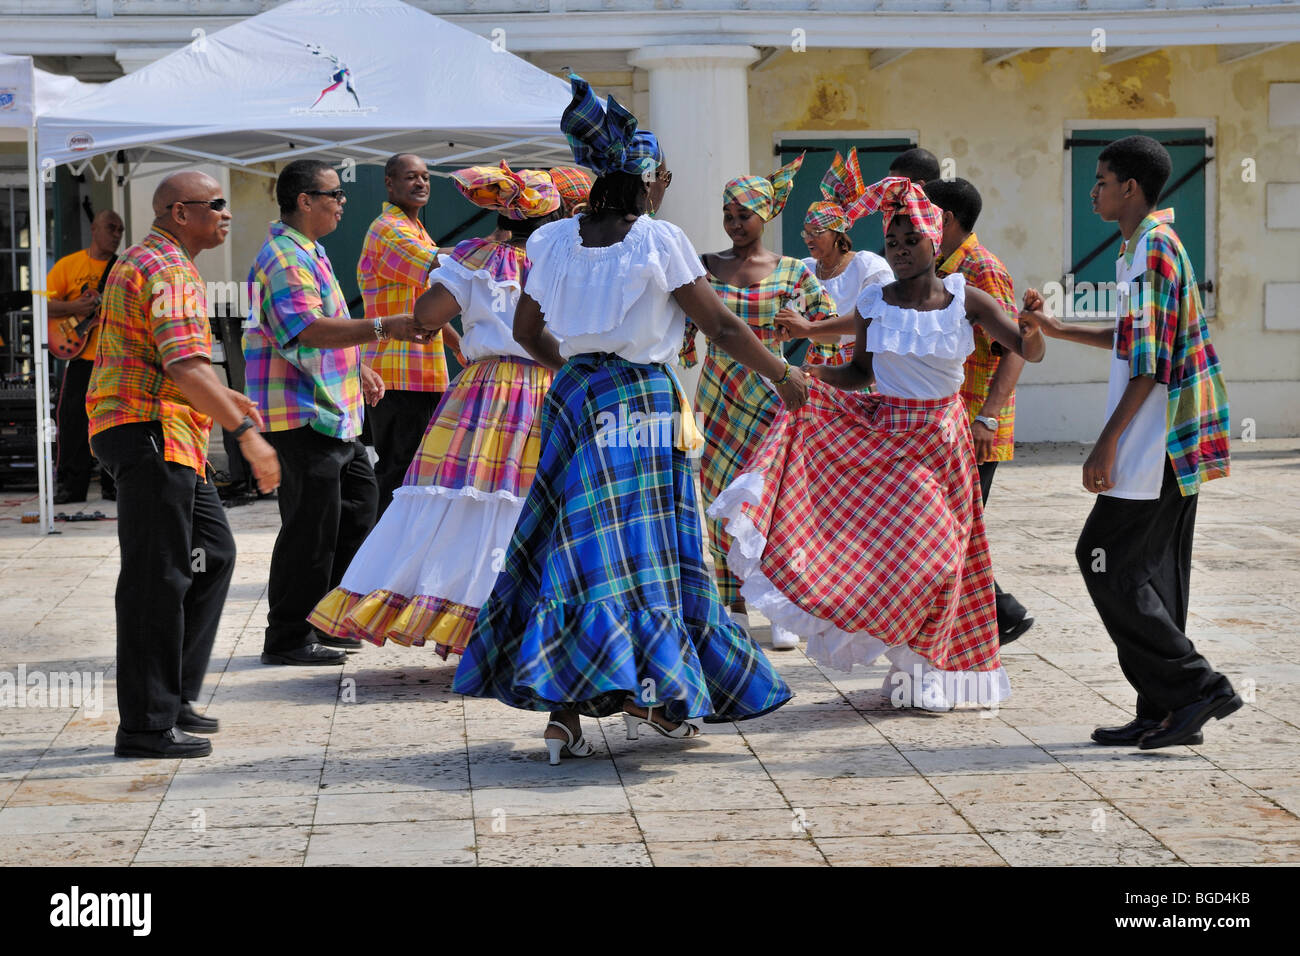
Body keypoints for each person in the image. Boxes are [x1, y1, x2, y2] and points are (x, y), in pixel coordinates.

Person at [452, 75, 802, 764]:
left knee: (572, 544)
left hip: (576, 400)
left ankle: (566, 715)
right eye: (663, 174)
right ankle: (652, 693)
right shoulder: (658, 239)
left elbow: (527, 330)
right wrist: (785, 374)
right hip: (642, 404)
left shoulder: (551, 241)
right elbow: (723, 326)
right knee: (644, 556)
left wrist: (579, 374)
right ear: (648, 179)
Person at [711, 178, 1045, 712]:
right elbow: (861, 371)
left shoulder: (967, 298)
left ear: (935, 242)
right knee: (907, 563)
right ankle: (912, 668)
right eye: (893, 241)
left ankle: (927, 667)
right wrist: (809, 377)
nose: (902, 249)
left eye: (912, 239)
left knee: (940, 564)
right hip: (889, 444)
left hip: (943, 443)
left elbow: (1027, 349)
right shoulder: (874, 302)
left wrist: (1032, 326)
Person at [1018, 135, 1237, 750]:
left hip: (1159, 438)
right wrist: (1058, 328)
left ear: (1130, 189)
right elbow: (1135, 334)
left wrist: (1104, 445)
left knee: (1103, 558)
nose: (1093, 191)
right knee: (1150, 572)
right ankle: (1166, 711)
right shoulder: (1143, 248)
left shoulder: (1153, 251)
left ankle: (1197, 687)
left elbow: (1152, 362)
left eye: (1102, 180)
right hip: (1162, 435)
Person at [310, 163, 563, 656]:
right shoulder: (559, 262)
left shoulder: (475, 257)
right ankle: (529, 619)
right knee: (529, 498)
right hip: (547, 383)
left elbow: (427, 314)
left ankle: (457, 614)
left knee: (463, 497)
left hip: (484, 389)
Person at [87, 172, 280, 758]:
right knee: (156, 579)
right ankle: (146, 725)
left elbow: (176, 367)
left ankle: (172, 697)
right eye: (215, 205)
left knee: (212, 554)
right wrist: (247, 435)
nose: (226, 213)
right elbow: (185, 367)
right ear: (177, 212)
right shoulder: (168, 268)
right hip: (146, 433)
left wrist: (229, 403)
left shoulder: (161, 261)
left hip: (162, 434)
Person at [245, 159, 427, 666]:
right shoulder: (283, 258)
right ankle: (286, 637)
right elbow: (307, 330)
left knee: (357, 510)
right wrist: (384, 328)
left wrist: (359, 368)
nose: (342, 202)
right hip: (301, 413)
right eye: (333, 194)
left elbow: (329, 327)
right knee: (310, 531)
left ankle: (323, 620)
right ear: (305, 201)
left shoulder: (311, 251)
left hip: (332, 410)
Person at [680, 153, 835, 650]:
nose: (734, 224)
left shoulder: (794, 272)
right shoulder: (703, 268)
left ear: (764, 215)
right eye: (728, 214)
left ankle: (779, 605)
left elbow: (830, 328)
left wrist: (806, 357)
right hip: (719, 397)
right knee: (720, 502)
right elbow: (681, 320)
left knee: (773, 502)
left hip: (775, 399)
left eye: (743, 214)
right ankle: (735, 605)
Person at [923, 177, 1033, 644]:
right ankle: (996, 613)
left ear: (944, 218)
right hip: (949, 424)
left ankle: (991, 617)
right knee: (948, 528)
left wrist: (987, 416)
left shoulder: (980, 268)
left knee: (953, 531)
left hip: (976, 426)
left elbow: (1016, 349)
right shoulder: (943, 266)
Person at [357, 153, 463, 517]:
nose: (420, 183)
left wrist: (458, 345)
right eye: (410, 177)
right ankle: (377, 561)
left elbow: (424, 305)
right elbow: (435, 261)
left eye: (426, 177)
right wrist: (489, 250)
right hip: (396, 376)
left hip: (424, 375)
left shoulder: (415, 227)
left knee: (418, 475)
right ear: (389, 184)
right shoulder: (389, 228)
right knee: (399, 474)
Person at [48, 209, 125, 504]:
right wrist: (76, 309)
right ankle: (71, 486)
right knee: (72, 423)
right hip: (81, 357)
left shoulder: (123, 268)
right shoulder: (69, 265)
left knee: (116, 422)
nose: (116, 234)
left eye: (120, 230)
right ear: (94, 228)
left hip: (115, 358)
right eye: (111, 228)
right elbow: (42, 305)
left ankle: (114, 485)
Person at [799, 148, 892, 367]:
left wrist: (813, 328)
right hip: (817, 361)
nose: (809, 239)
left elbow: (877, 318)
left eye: (818, 232)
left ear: (837, 233)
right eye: (806, 232)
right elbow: (796, 313)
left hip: (861, 361)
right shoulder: (805, 270)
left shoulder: (868, 266)